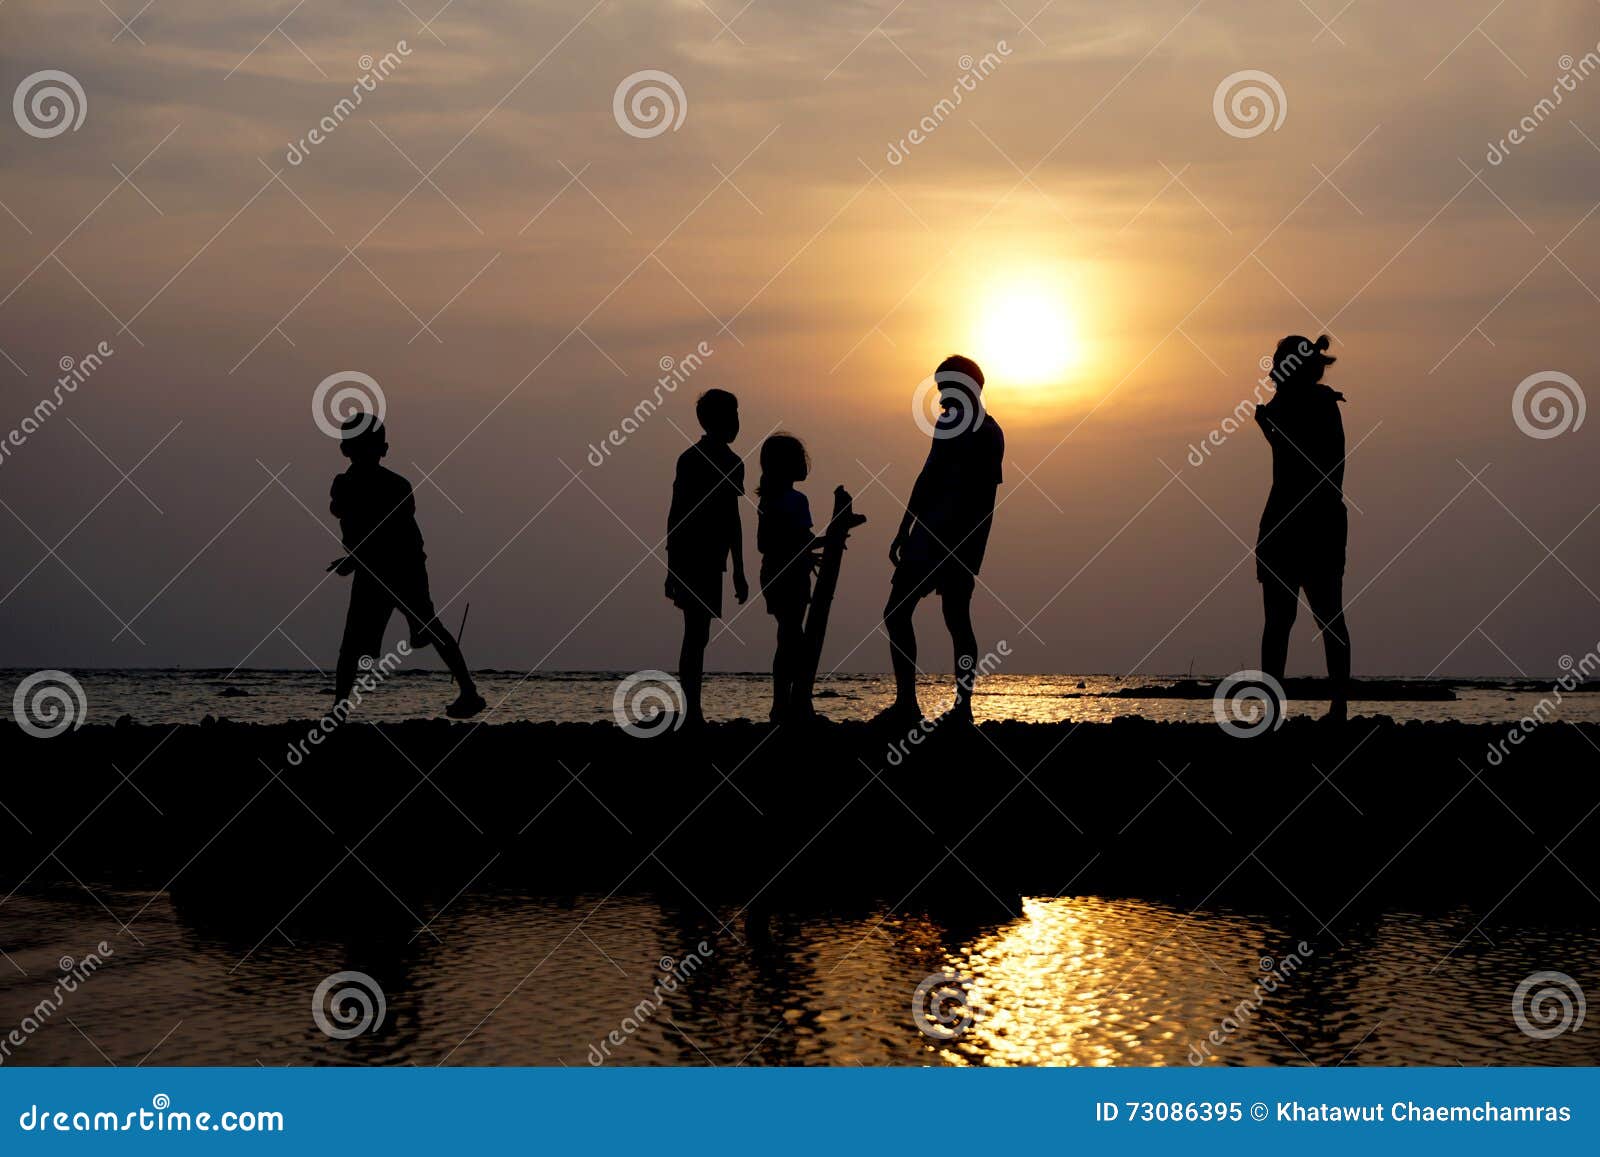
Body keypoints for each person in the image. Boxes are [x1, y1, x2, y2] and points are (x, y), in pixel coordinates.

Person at [328, 414, 485, 719]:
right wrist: (356, 557)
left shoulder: (394, 486)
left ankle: (468, 691)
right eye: (358, 448)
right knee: (357, 645)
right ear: (346, 450)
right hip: (378, 570)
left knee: (418, 629)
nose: (364, 455)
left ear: (382, 450)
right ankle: (338, 708)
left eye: (368, 448)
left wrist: (354, 559)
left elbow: (386, 534)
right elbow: (352, 522)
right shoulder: (348, 485)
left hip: (401, 568)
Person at [880, 355, 1004, 725]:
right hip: (940, 537)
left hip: (948, 539)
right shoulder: (968, 426)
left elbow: (971, 493)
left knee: (931, 615)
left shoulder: (979, 429)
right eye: (938, 387)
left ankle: (941, 706)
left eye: (946, 386)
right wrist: (906, 528)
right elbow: (931, 477)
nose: (940, 395)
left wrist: (918, 532)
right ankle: (932, 705)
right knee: (931, 616)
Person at [1254, 333, 1351, 722]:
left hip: (1302, 522)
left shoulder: (1308, 406)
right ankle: (1335, 707)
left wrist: (1269, 427)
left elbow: (1303, 459)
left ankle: (1279, 710)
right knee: (1321, 617)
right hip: (1312, 522)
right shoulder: (1318, 404)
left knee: (1285, 621)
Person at [665, 389, 749, 727]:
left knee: (699, 634)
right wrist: (672, 567)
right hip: (691, 556)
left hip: (714, 559)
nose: (736, 423)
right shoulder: (691, 460)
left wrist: (739, 569)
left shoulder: (733, 463)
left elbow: (732, 518)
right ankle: (692, 712)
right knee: (695, 632)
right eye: (731, 416)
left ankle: (692, 710)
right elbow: (678, 514)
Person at [756, 433, 821, 723]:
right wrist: (812, 549)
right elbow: (793, 540)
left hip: (774, 574)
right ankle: (789, 704)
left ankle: (784, 703)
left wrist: (810, 550)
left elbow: (775, 542)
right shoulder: (795, 500)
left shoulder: (770, 500)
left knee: (788, 637)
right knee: (793, 638)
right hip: (790, 577)